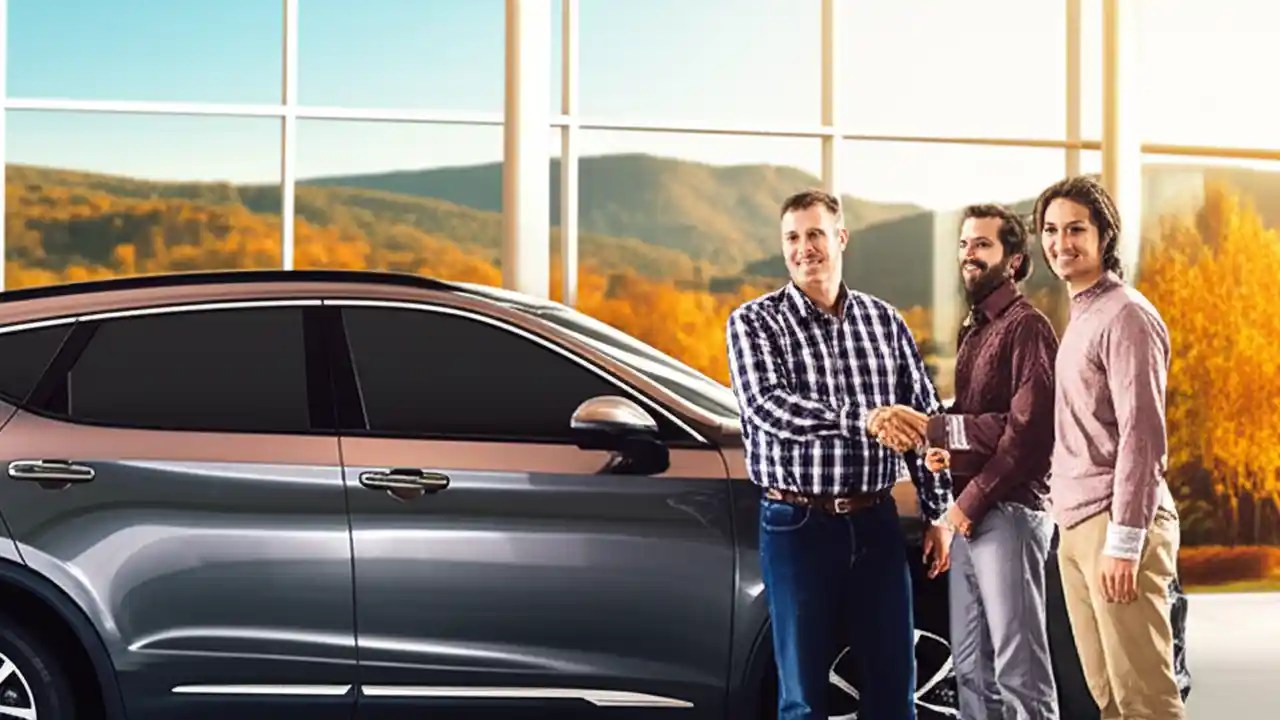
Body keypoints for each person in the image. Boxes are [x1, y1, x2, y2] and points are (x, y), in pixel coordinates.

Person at [726, 188, 953, 720]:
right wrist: (866, 419)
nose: (804, 248)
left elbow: (920, 418)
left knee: (895, 689)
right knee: (804, 697)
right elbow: (768, 408)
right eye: (792, 238)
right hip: (796, 524)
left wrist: (937, 510)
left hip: (876, 522)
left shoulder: (884, 322)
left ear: (841, 238)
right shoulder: (754, 323)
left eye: (815, 234)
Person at [1032, 175, 1184, 719]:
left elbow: (1142, 435)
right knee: (1109, 698)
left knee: (1145, 698)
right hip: (1076, 527)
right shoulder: (1083, 314)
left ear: (1104, 234)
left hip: (1115, 526)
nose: (1061, 242)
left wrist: (1124, 542)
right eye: (1050, 230)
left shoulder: (1127, 315)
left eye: (1076, 228)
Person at [912, 203, 1061, 719]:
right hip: (970, 517)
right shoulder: (974, 330)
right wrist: (942, 448)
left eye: (982, 245)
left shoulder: (1029, 329)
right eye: (962, 244)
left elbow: (1029, 435)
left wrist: (963, 506)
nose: (968, 255)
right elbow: (979, 421)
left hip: (1011, 514)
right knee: (973, 672)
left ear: (1014, 261)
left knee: (1020, 674)